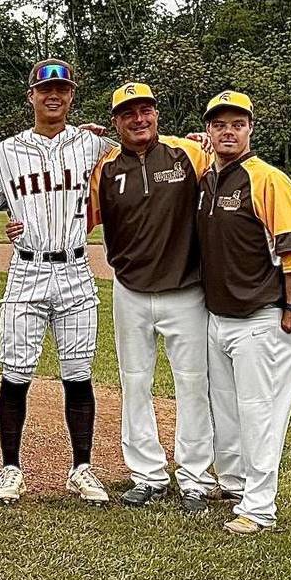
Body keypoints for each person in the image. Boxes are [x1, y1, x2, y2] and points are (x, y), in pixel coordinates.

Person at [0, 59, 115, 506]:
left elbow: (139, 150)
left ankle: (81, 467)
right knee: (15, 373)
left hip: (76, 270)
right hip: (27, 269)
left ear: (72, 96)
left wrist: (195, 145)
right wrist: (11, 225)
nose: (52, 96)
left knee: (78, 374)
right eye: (44, 90)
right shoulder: (4, 152)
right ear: (31, 97)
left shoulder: (95, 146)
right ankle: (10, 468)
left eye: (61, 89)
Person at [87, 82, 217, 512]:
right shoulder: (104, 168)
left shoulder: (190, 154)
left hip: (186, 290)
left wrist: (209, 140)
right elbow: (77, 221)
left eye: (145, 111)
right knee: (135, 384)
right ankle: (147, 475)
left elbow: (231, 168)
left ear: (156, 114)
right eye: (128, 113)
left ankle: (195, 477)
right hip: (130, 290)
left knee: (193, 385)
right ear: (116, 122)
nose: (138, 119)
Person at [196, 91, 291, 535]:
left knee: (259, 414)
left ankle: (260, 508)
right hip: (220, 316)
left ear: (250, 129)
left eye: (237, 123)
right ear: (209, 130)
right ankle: (236, 484)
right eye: (220, 123)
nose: (228, 130)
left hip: (262, 317)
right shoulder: (210, 179)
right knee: (225, 411)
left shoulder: (267, 179)